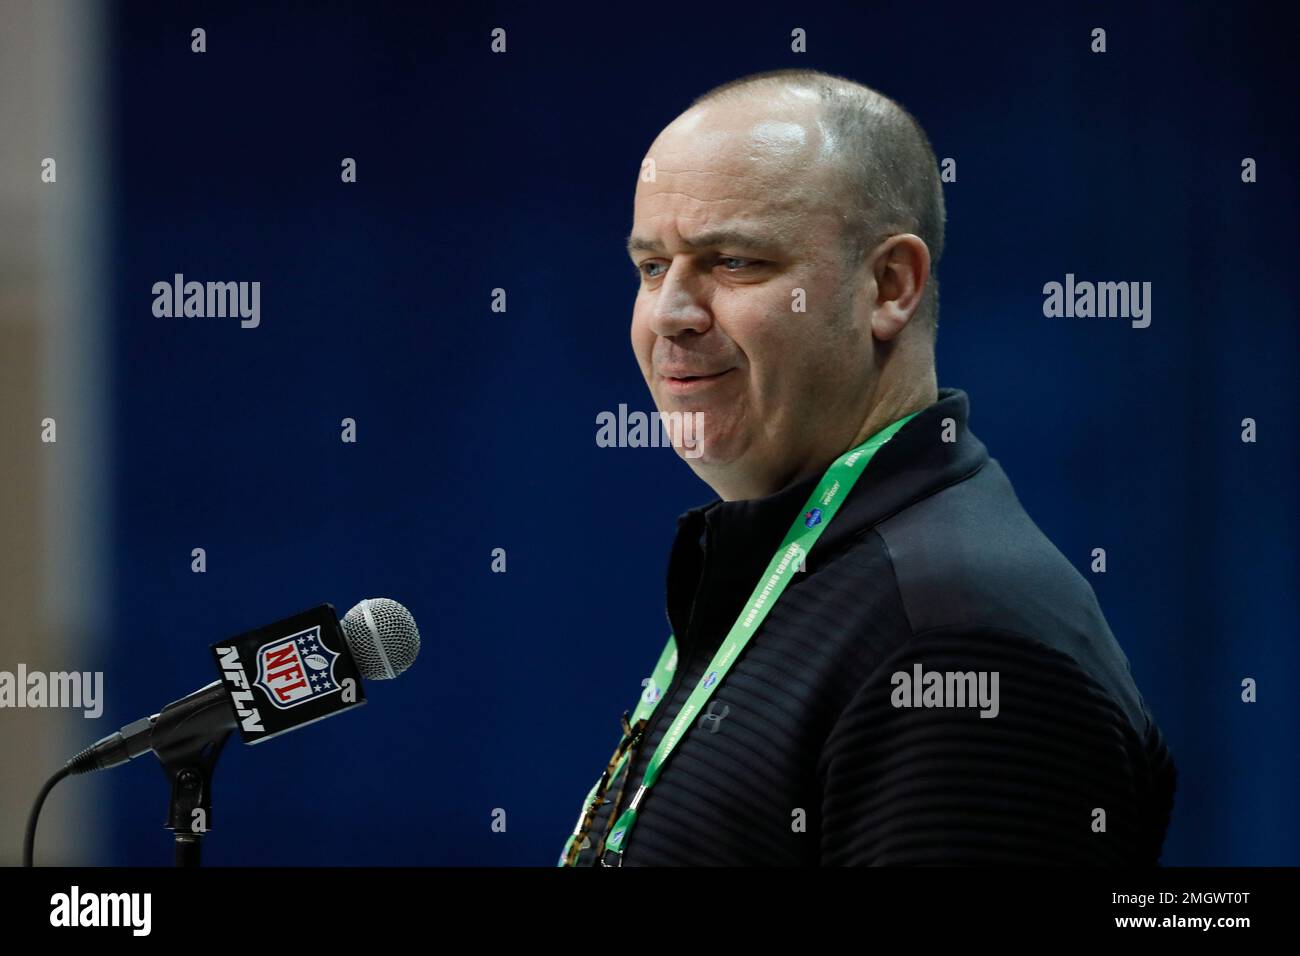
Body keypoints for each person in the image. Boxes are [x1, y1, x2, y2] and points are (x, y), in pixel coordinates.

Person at [560, 68, 1176, 866]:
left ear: (889, 286)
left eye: (735, 262)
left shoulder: (958, 639)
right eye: (651, 267)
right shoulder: (807, 578)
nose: (671, 314)